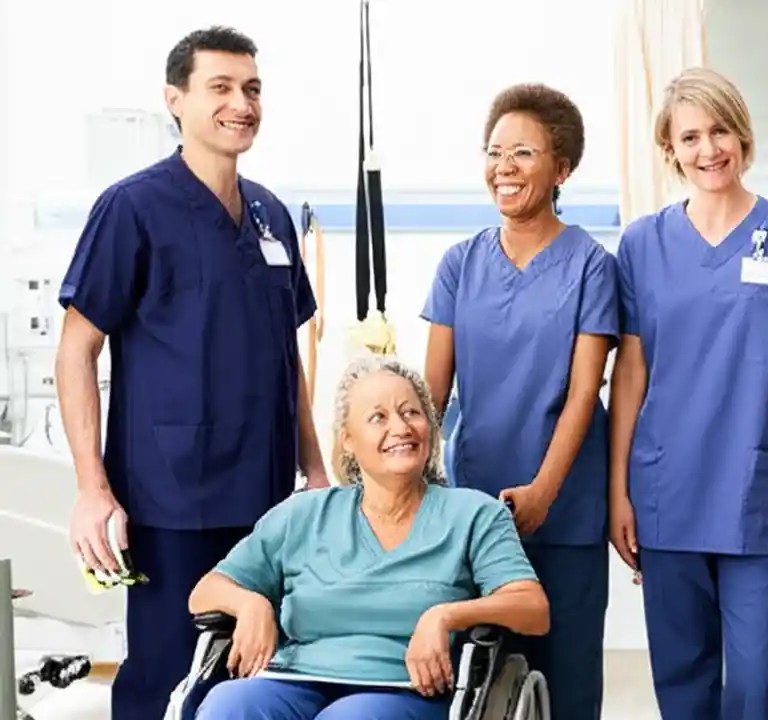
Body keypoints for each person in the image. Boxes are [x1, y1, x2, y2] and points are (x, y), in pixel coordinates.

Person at [53, 26, 329, 718]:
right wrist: (92, 487)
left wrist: (316, 471)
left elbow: (285, 356)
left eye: (253, 89)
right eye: (222, 88)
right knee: (168, 679)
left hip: (263, 499)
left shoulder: (270, 214)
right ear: (175, 100)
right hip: (170, 495)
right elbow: (75, 348)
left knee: (254, 675)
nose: (242, 103)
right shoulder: (133, 208)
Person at [609, 67, 768, 720]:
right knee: (682, 682)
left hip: (756, 500)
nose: (709, 150)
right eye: (691, 136)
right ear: (670, 148)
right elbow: (630, 373)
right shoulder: (643, 244)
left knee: (756, 689)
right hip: (666, 494)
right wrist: (618, 490)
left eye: (721, 130)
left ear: (743, 135)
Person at [190, 356, 549, 718]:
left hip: (405, 689)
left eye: (411, 412)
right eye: (379, 417)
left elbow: (533, 608)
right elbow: (206, 591)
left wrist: (445, 616)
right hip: (293, 679)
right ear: (348, 440)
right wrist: (251, 604)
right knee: (227, 706)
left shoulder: (473, 514)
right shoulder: (302, 515)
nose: (401, 427)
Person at [421, 83, 616, 720]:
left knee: (566, 677)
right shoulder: (459, 263)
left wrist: (542, 491)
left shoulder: (590, 265)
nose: (503, 167)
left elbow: (585, 390)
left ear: (562, 168)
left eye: (523, 153)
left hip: (564, 508)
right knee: (477, 679)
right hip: (474, 507)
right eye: (494, 151)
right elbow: (433, 393)